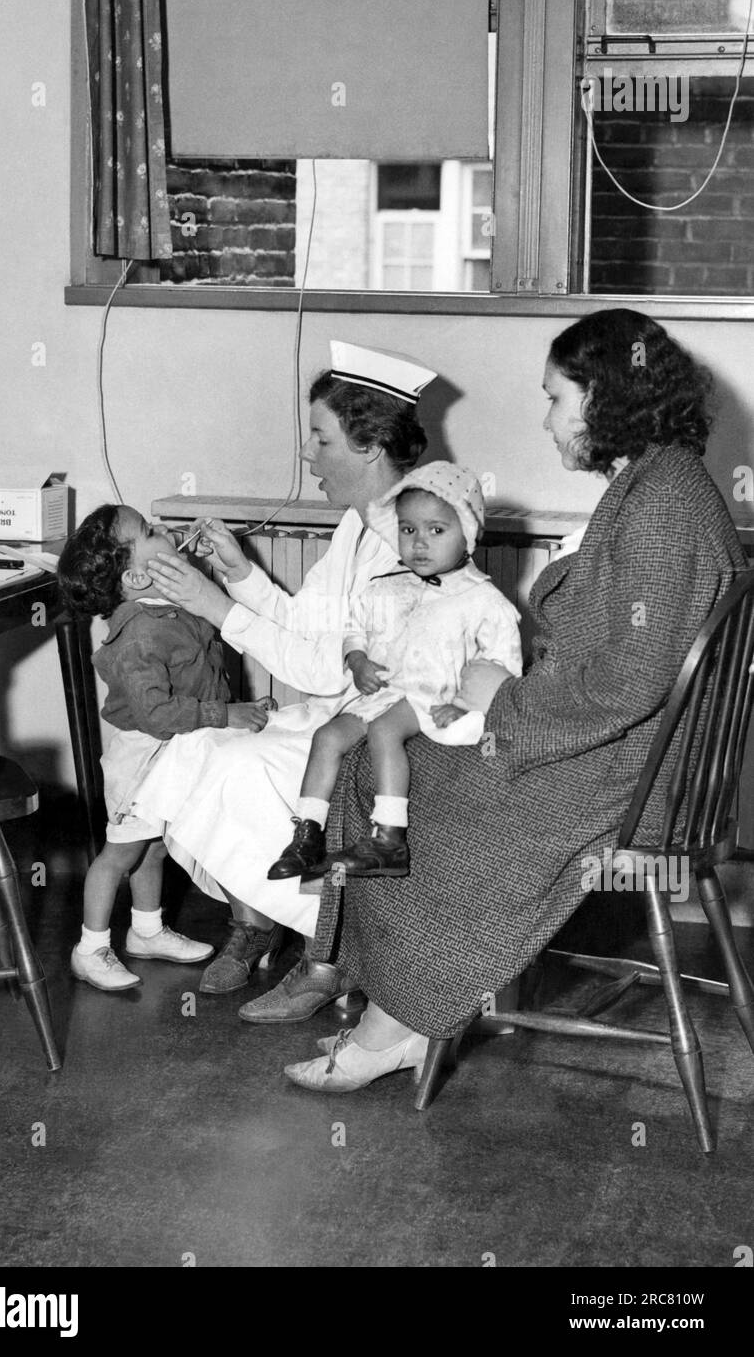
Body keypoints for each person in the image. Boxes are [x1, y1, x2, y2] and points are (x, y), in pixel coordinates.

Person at [282, 307, 747, 1092]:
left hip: (632, 782)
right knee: (390, 762)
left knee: (386, 776)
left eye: (555, 399)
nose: (547, 420)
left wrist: (502, 700)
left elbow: (628, 681)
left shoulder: (660, 501)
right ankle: (399, 1015)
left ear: (602, 398)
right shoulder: (657, 481)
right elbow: (625, 648)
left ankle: (397, 1020)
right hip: (630, 758)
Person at [132, 342, 439, 1018]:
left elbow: (320, 664)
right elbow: (308, 624)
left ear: (367, 446)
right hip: (343, 709)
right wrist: (238, 572)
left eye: (319, 437)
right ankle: (258, 919)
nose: (307, 454)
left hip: (390, 736)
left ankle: (329, 953)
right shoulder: (363, 522)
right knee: (194, 749)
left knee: (242, 765)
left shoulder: (407, 533)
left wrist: (211, 604)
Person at [267, 461, 522, 883]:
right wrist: (358, 660)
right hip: (384, 692)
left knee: (385, 730)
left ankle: (388, 837)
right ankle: (307, 833)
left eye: (436, 531)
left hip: (432, 695)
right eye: (408, 530)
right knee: (327, 736)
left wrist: (463, 706)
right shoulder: (387, 584)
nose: (420, 543)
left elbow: (503, 666)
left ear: (468, 535)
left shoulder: (484, 601)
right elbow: (355, 628)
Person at [57, 504, 272, 992]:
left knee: (153, 849)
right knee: (121, 854)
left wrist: (236, 712)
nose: (167, 531)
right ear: (135, 577)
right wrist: (226, 715)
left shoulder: (169, 608)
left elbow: (202, 675)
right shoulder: (140, 636)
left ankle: (147, 930)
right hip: (144, 758)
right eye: (152, 532)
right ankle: (90, 948)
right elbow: (157, 715)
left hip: (176, 750)